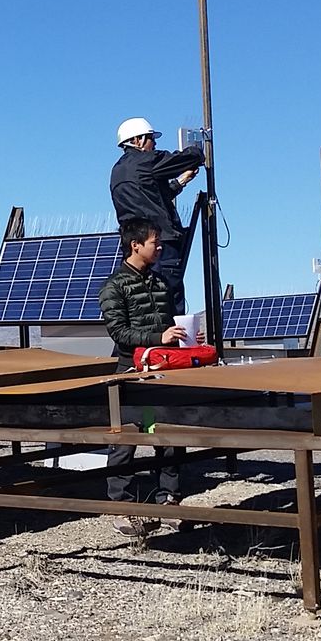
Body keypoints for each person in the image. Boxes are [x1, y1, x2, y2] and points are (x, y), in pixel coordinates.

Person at [98, 219, 188, 536]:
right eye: (154, 243)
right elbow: (119, 332)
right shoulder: (114, 287)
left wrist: (184, 335)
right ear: (136, 245)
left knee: (166, 436)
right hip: (130, 374)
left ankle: (169, 500)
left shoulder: (161, 284)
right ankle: (122, 507)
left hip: (161, 373)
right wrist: (157, 337)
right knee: (126, 439)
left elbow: (169, 324)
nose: (160, 247)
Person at [109, 117, 205, 314]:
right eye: (152, 139)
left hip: (133, 250)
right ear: (138, 140)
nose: (155, 144)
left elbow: (150, 198)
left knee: (144, 307)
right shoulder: (146, 161)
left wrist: (181, 181)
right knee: (169, 305)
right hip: (160, 246)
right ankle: (171, 345)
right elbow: (187, 158)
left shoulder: (117, 171)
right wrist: (196, 147)